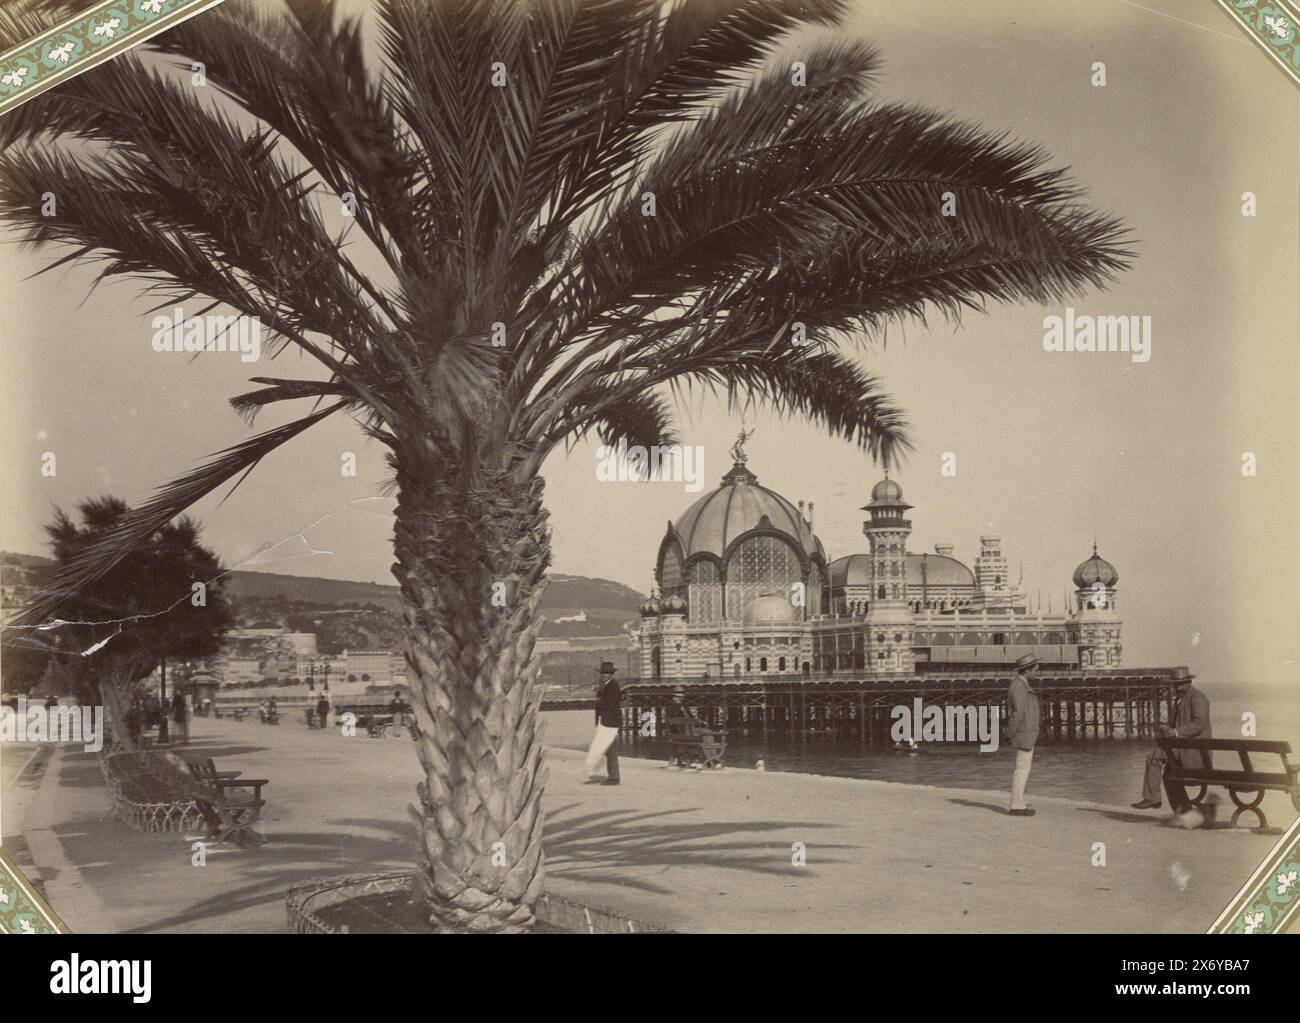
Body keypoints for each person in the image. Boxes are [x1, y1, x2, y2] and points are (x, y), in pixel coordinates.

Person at [1131, 666, 1214, 827]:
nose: (1177, 688)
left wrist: (1175, 732)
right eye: (1175, 685)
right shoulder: (1182, 699)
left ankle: (1152, 799)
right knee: (1169, 775)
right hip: (1185, 749)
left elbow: (1199, 724)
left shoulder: (1198, 698)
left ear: (1189, 682)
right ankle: (1184, 812)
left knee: (1154, 756)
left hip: (1196, 753)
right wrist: (1166, 730)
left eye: (1181, 684)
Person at [1006, 653, 1041, 816]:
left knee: (1023, 769)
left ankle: (1018, 802)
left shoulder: (1021, 684)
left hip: (1026, 733)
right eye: (1035, 669)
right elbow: (1017, 713)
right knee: (1021, 769)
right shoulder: (1019, 686)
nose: (1037, 672)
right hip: (1023, 733)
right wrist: (1010, 734)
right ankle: (1016, 805)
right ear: (1026, 671)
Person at [584, 662, 621, 785]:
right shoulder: (605, 686)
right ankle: (613, 776)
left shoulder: (613, 686)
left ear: (611, 674)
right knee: (607, 750)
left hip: (610, 722)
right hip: (605, 721)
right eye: (602, 673)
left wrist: (598, 702)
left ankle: (614, 778)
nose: (603, 675)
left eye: (606, 673)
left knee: (610, 750)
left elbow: (610, 704)